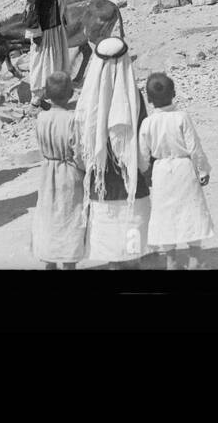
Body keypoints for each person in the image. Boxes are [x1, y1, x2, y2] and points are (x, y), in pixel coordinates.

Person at [77, 37, 151, 267]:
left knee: (109, 242)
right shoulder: (132, 96)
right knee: (133, 234)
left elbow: (80, 137)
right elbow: (142, 138)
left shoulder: (88, 97)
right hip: (130, 180)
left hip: (103, 181)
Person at [138, 73, 214, 270]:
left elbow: (143, 155)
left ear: (148, 98)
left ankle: (171, 260)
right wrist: (203, 170)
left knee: (165, 214)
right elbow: (194, 148)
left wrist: (146, 173)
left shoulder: (147, 123)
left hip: (161, 172)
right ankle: (195, 260)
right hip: (184, 169)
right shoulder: (182, 117)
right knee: (192, 210)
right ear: (174, 93)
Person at [31, 70, 88, 270]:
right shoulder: (72, 120)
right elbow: (79, 152)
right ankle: (69, 264)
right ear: (71, 94)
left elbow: (40, 146)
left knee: (49, 216)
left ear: (46, 94)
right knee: (69, 218)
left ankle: (49, 262)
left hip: (48, 172)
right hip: (69, 173)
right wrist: (84, 171)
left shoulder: (41, 119)